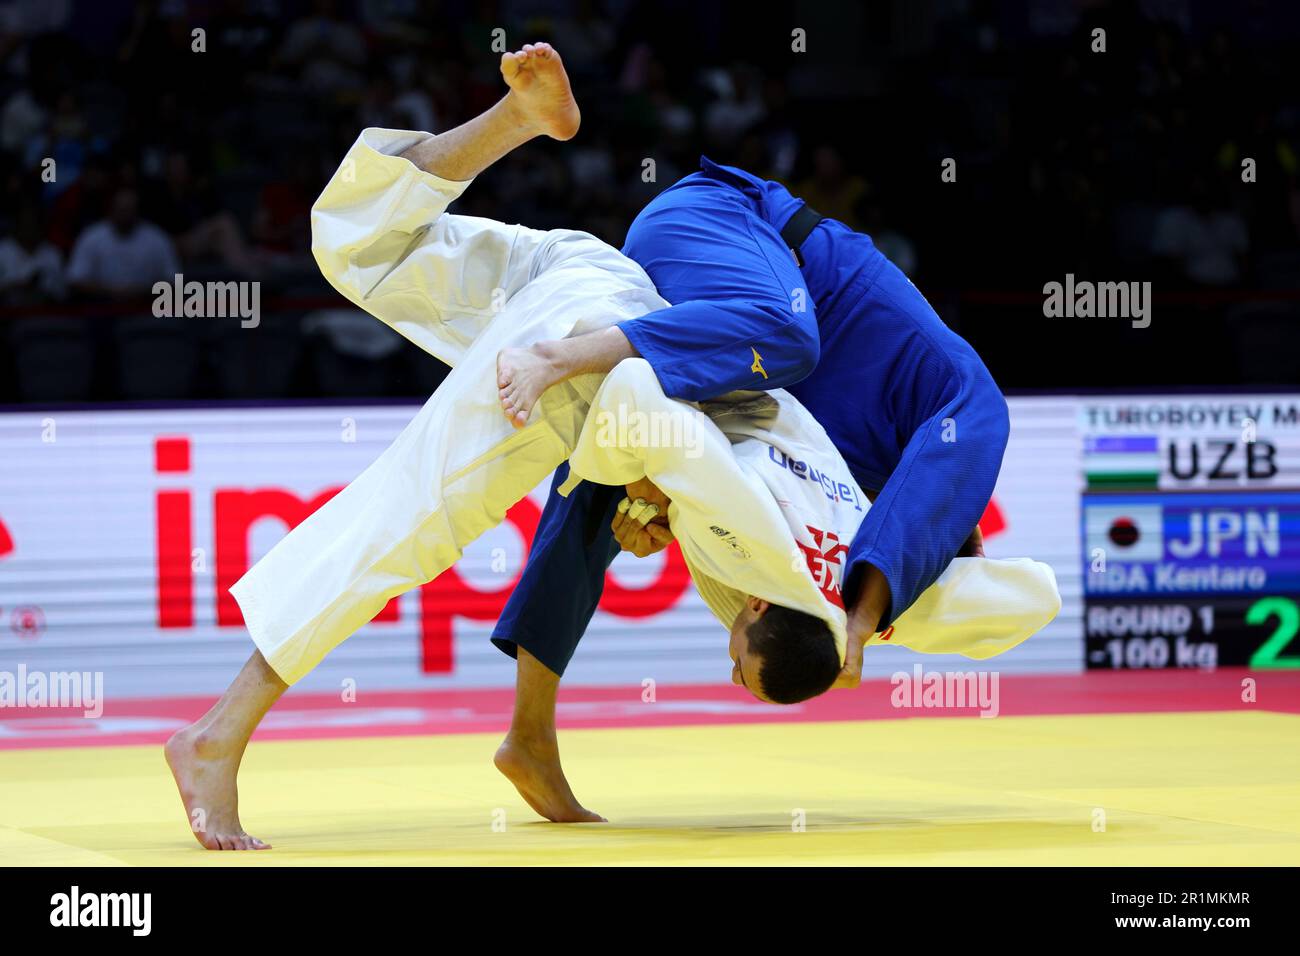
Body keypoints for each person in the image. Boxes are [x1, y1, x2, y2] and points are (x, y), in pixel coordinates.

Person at [164, 43, 1058, 849]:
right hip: (716, 258)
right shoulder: (950, 416)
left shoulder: (815, 501)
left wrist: (656, 502)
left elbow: (720, 447)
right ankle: (219, 731)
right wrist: (862, 623)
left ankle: (513, 123)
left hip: (616, 285)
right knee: (429, 507)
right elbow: (943, 531)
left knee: (363, 247)